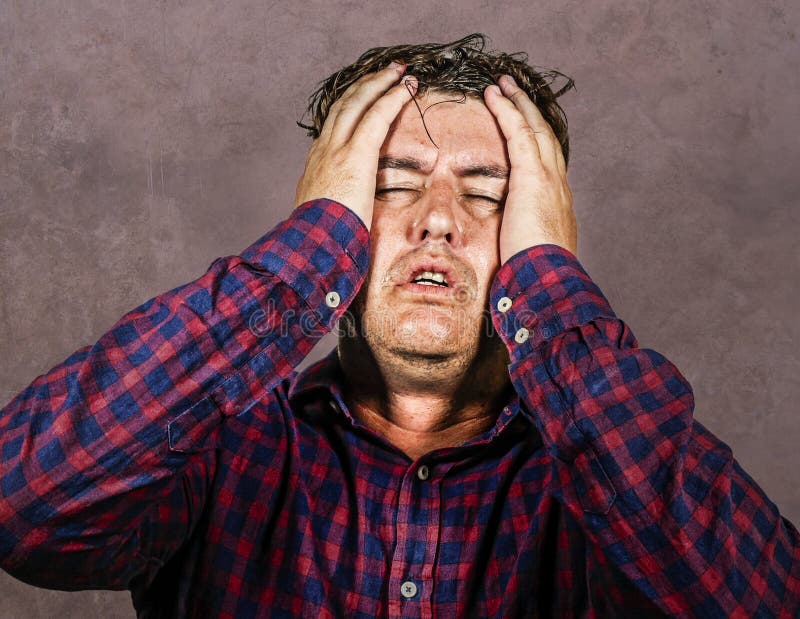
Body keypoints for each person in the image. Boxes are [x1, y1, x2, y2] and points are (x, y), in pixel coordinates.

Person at [0, 33, 797, 618]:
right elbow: (22, 507)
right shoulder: (218, 442)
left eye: (488, 194)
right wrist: (310, 248)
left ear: (542, 229)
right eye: (388, 185)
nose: (438, 219)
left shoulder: (612, 479)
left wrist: (550, 287)